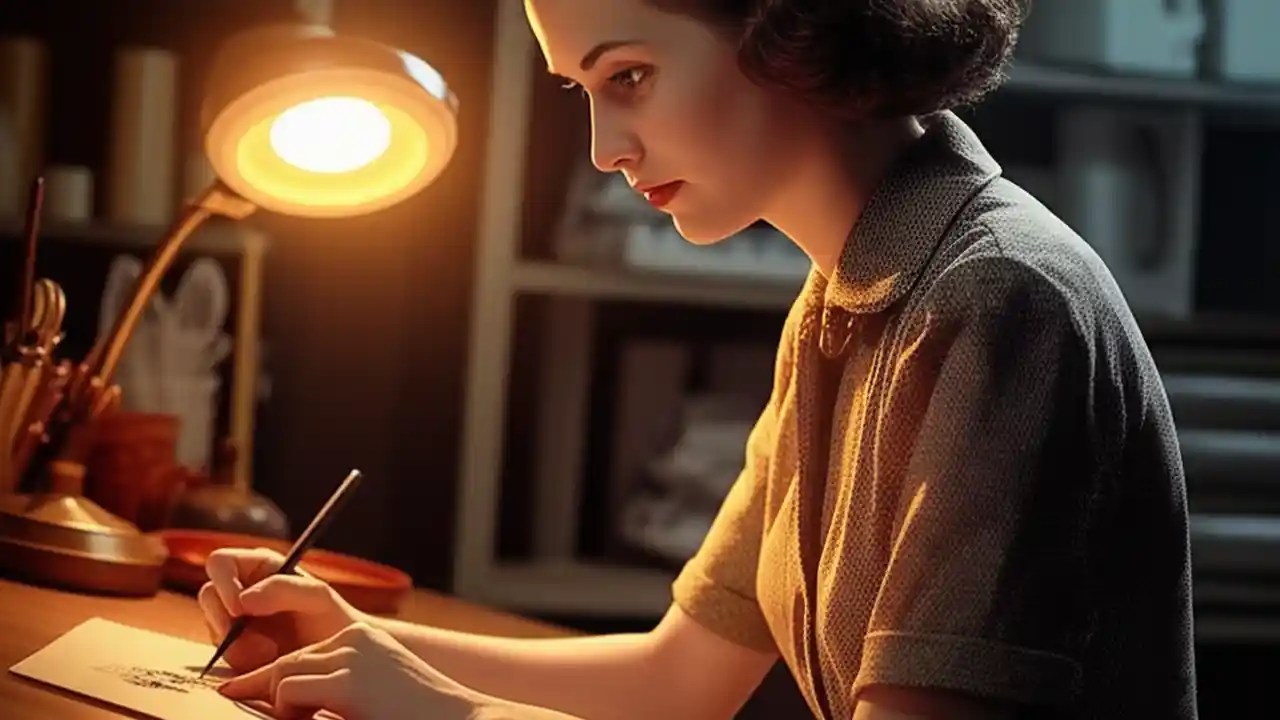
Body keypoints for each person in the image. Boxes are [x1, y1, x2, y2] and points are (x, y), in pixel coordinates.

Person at [201, 0, 1200, 718]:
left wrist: (450, 719)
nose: (602, 148)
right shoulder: (839, 295)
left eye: (627, 76)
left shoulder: (999, 301)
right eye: (579, 89)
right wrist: (356, 641)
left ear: (787, 29)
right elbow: (677, 678)